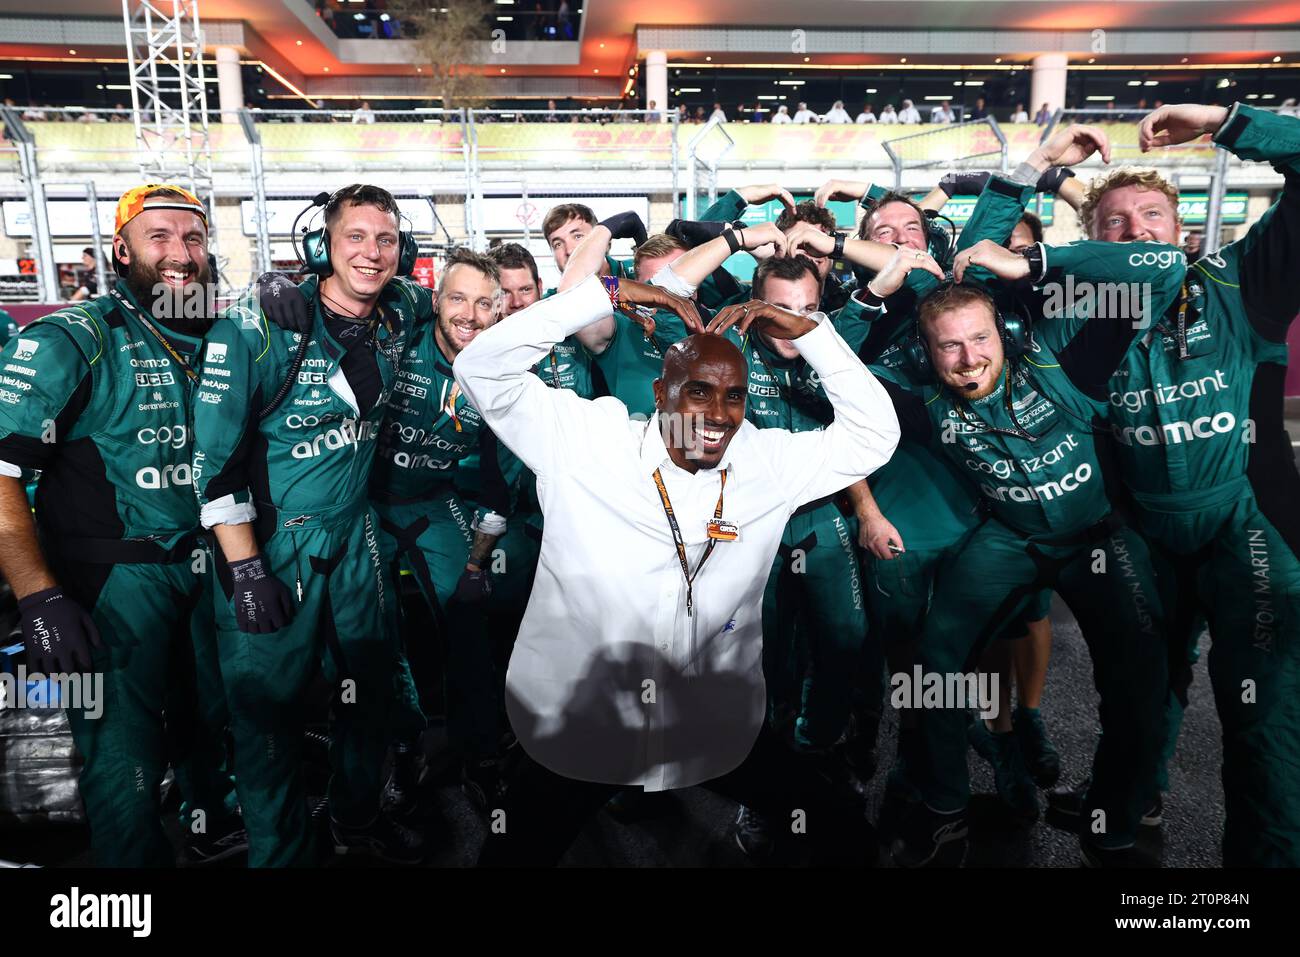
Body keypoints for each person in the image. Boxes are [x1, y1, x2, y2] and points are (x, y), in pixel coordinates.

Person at [456, 260, 901, 866]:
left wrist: (810, 333)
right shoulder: (586, 441)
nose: (718, 414)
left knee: (840, 828)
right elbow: (481, 367)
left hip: (707, 717)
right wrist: (605, 292)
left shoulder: (767, 462)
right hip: (584, 719)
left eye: (734, 396)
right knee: (516, 852)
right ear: (661, 393)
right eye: (698, 391)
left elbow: (874, 436)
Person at [876, 235, 1185, 866]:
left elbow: (1166, 267)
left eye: (981, 338)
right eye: (949, 346)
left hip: (1098, 536)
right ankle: (945, 808)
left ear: (1007, 334)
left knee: (1140, 672)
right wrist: (867, 296)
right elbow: (821, 378)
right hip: (1010, 538)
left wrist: (1036, 262)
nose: (969, 359)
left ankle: (1114, 817)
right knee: (933, 664)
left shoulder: (1063, 359)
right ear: (925, 354)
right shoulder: (918, 394)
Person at [1067, 101, 1300, 866]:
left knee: (1262, 716)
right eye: (1114, 224)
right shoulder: (1076, 316)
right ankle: (1125, 806)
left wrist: (1224, 120)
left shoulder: (1243, 281)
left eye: (1152, 216)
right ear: (1092, 244)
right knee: (1138, 690)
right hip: (1142, 533)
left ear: (1184, 230)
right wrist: (1047, 172)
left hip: (1253, 529)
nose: (1135, 232)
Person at [0, 183, 250, 866]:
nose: (181, 254)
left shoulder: (223, 333)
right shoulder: (74, 338)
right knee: (120, 751)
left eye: (194, 238)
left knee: (209, 714)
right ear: (121, 249)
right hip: (111, 580)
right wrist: (37, 595)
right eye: (158, 236)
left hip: (205, 562)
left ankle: (210, 823)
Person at [193, 184, 429, 867]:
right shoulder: (253, 330)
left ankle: (355, 822)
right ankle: (280, 855)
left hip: (356, 536)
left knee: (370, 693)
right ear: (322, 244)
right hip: (273, 543)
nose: (371, 252)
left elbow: (464, 299)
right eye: (355, 236)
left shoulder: (402, 310)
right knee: (265, 714)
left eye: (386, 239)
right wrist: (245, 569)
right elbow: (215, 470)